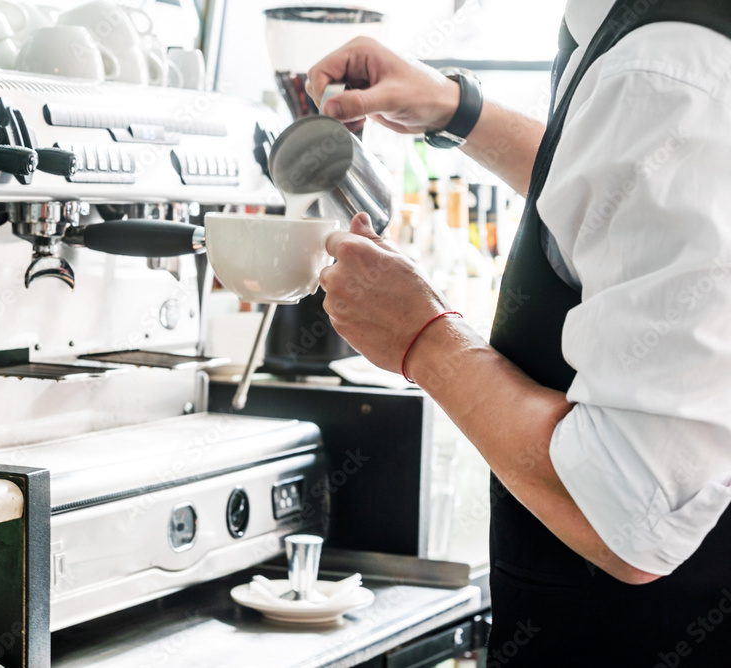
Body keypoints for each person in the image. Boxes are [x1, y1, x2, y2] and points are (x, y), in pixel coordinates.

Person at [308, 0, 731, 664]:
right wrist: (457, 112)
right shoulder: (648, 42)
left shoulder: (667, 68)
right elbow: (623, 198)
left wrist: (422, 336)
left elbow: (628, 515)